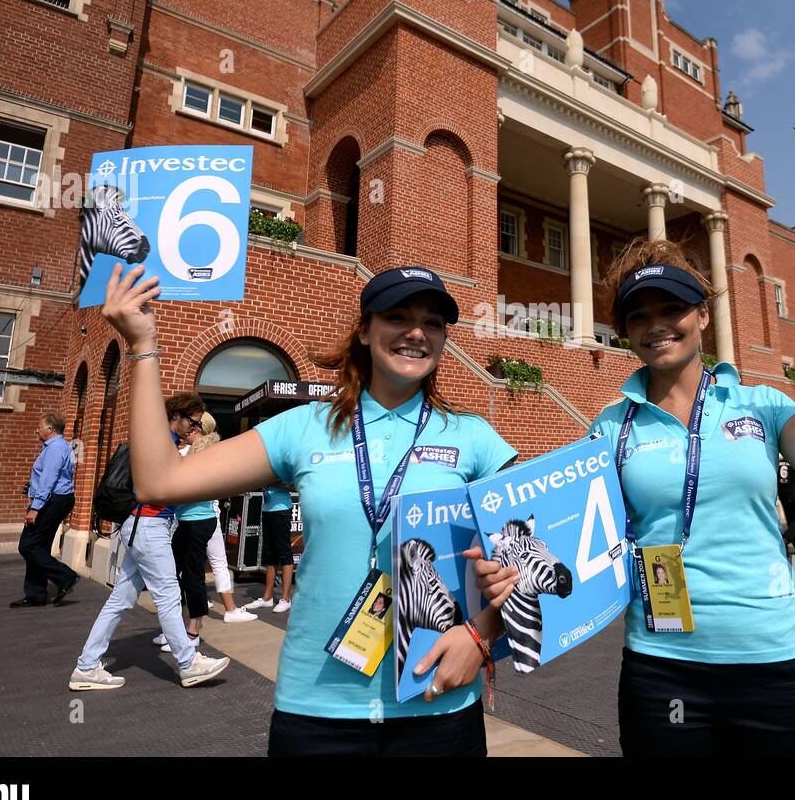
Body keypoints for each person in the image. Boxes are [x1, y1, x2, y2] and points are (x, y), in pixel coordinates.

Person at [474, 238, 795, 756]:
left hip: (771, 664)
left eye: (672, 307)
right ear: (625, 331)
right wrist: (506, 567)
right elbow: (563, 535)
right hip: (661, 669)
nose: (656, 323)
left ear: (702, 315)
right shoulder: (611, 427)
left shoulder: (762, 405)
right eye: (638, 315)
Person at [92, 262, 516, 755]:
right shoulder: (304, 427)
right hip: (317, 711)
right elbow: (158, 481)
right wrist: (142, 348)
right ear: (364, 330)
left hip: (437, 705)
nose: (416, 333)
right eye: (397, 316)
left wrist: (482, 637)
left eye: (434, 323)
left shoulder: (474, 438)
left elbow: (534, 564)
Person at [70, 391, 231, 690]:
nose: (194, 429)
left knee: (120, 599)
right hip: (150, 525)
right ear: (177, 417)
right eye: (192, 423)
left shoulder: (160, 442)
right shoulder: (163, 446)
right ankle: (188, 663)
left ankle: (87, 666)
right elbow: (160, 490)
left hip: (141, 525)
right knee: (168, 595)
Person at [153, 412, 255, 653]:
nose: (183, 429)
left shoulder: (205, 454)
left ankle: (193, 632)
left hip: (200, 521)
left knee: (193, 576)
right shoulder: (186, 452)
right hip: (188, 520)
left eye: (188, 424)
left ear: (196, 429)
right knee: (171, 576)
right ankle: (175, 630)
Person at [13, 413, 80, 608]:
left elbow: (49, 479)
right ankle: (35, 594)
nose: (37, 430)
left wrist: (35, 507)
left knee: (28, 545)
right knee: (39, 546)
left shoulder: (55, 448)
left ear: (50, 429)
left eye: (40, 426)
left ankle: (65, 576)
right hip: (56, 499)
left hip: (53, 501)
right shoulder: (60, 446)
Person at [245, 484, 296, 613]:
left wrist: (270, 481)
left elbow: (294, 485)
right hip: (267, 510)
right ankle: (267, 597)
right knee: (269, 554)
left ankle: (286, 599)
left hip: (282, 509)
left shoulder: (283, 466)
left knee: (284, 553)